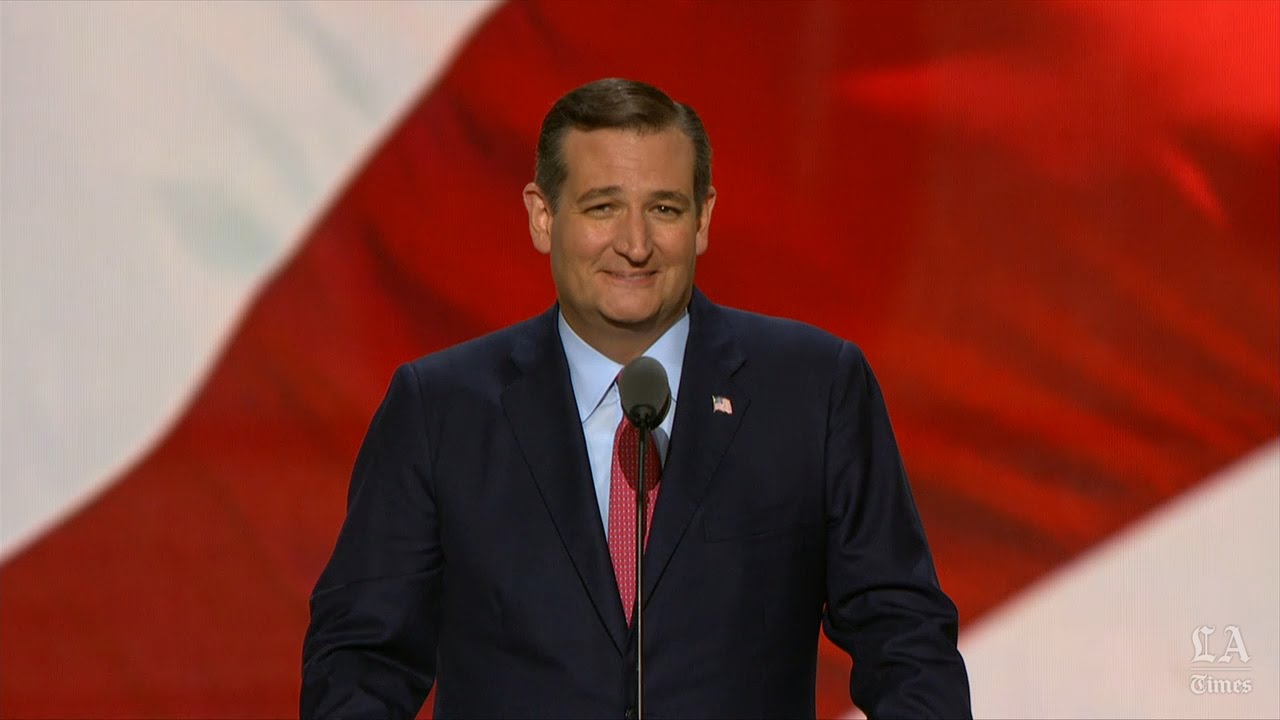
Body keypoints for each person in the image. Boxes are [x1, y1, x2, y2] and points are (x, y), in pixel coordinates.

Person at [301, 77, 971, 719]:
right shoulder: (441, 409)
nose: (636, 244)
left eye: (665, 208)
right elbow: (361, 663)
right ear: (542, 216)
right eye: (602, 207)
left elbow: (905, 641)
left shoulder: (813, 389)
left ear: (703, 219)